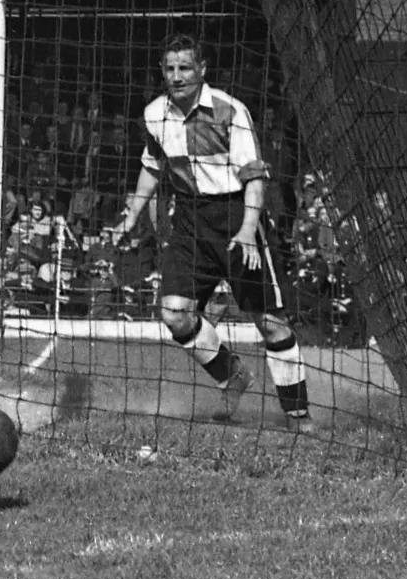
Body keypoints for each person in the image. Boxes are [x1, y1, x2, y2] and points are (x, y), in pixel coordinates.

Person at [103, 34, 310, 430]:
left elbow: (254, 176)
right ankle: (233, 378)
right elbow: (152, 165)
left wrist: (249, 229)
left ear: (202, 70)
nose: (177, 76)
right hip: (190, 221)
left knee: (270, 322)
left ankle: (299, 416)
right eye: (170, 68)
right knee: (175, 314)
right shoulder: (154, 114)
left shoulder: (229, 111)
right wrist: (133, 212)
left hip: (236, 217)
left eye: (185, 68)